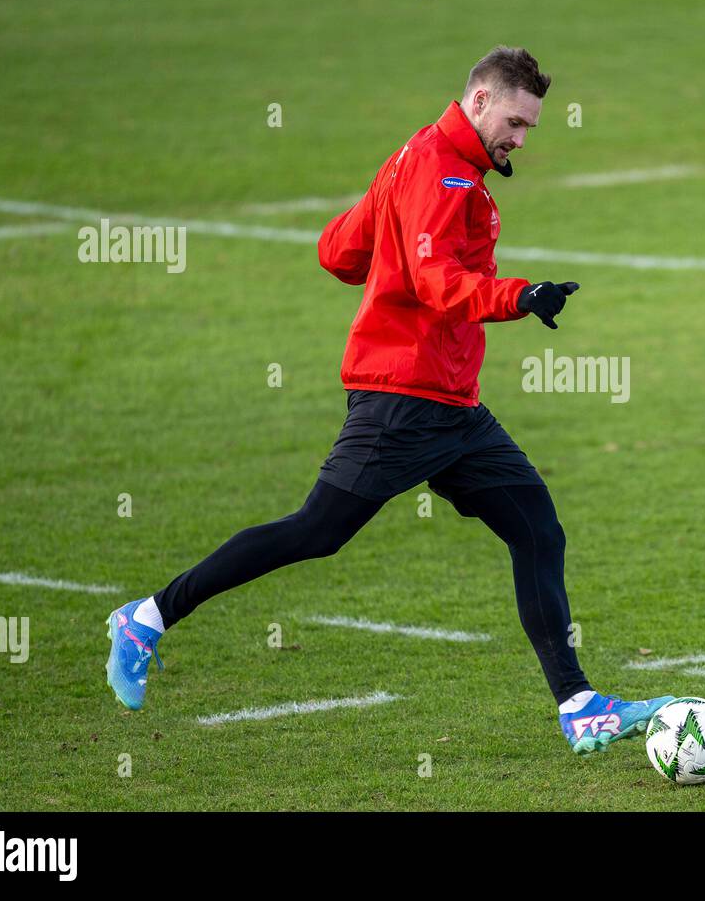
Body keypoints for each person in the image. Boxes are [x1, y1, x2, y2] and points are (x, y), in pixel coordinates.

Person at [104, 45, 672, 755]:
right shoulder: (443, 176)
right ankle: (148, 617)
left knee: (536, 527)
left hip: (453, 405)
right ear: (479, 101)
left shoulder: (415, 157)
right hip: (401, 398)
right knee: (317, 530)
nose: (521, 140)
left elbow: (337, 251)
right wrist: (520, 296)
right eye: (516, 122)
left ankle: (580, 704)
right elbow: (438, 287)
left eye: (531, 128)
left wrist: (397, 252)